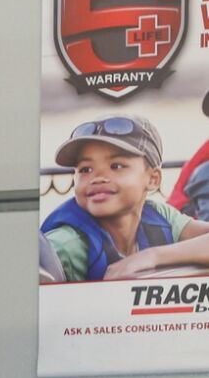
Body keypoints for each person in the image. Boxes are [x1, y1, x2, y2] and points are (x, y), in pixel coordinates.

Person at [40, 114, 209, 282]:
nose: (98, 177)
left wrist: (152, 256)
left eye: (116, 166)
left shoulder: (160, 216)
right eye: (85, 170)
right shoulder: (66, 246)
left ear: (153, 179)